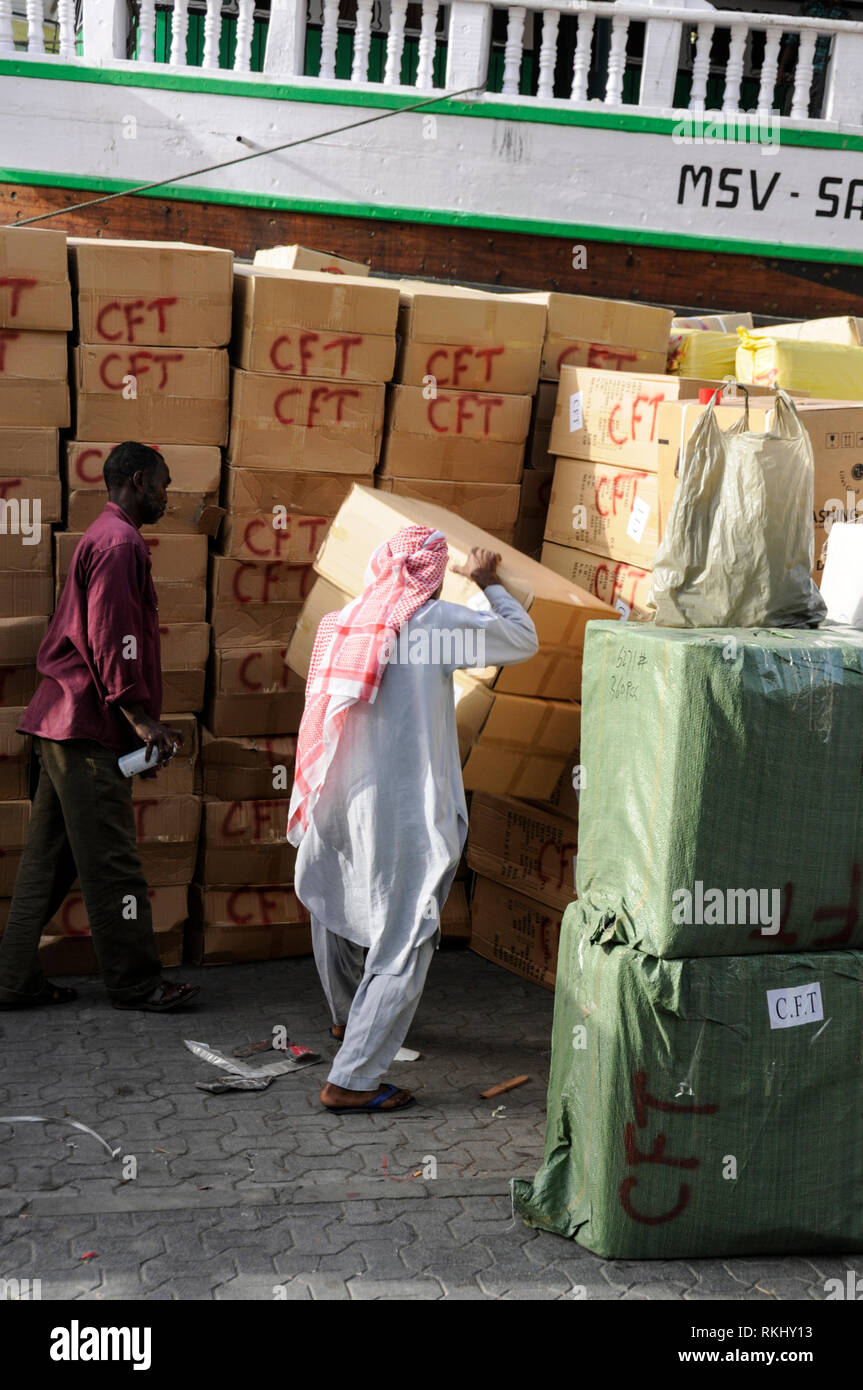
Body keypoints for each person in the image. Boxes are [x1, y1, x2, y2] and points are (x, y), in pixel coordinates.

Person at [287, 526, 539, 1112]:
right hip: (404, 812)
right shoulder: (431, 625)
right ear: (429, 575)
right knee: (406, 933)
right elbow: (520, 639)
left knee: (334, 906)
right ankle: (351, 1080)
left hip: (339, 798)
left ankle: (350, 1021)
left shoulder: (344, 622)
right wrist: (489, 581)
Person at [0, 442, 199, 1014]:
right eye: (163, 483)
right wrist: (138, 715)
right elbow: (112, 637)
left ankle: (13, 980)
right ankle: (136, 983)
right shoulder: (119, 543)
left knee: (49, 861)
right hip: (86, 726)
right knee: (113, 863)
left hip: (66, 723)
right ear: (138, 481)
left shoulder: (108, 537)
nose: (168, 493)